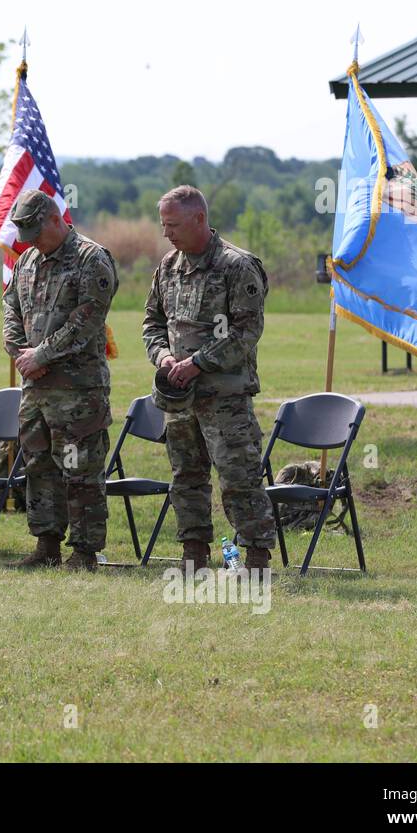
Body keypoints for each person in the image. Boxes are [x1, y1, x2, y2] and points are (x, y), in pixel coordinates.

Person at [142, 185, 276, 571]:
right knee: (186, 477)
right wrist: (164, 356)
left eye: (174, 224)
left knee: (239, 477)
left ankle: (255, 557)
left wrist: (199, 363)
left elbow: (247, 331)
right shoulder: (168, 267)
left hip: (224, 397)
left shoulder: (237, 267)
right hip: (178, 398)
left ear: (200, 219)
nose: (167, 232)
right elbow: (152, 323)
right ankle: (194, 553)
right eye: (164, 225)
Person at [2, 189, 118, 571]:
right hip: (36, 388)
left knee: (80, 467)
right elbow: (11, 307)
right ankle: (46, 544)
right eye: (26, 235)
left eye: (37, 232)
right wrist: (19, 350)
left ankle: (84, 551)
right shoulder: (28, 261)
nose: (32, 241)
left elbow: (87, 319)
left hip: (78, 390)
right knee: (39, 465)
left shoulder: (91, 259)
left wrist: (43, 355)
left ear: (57, 219)